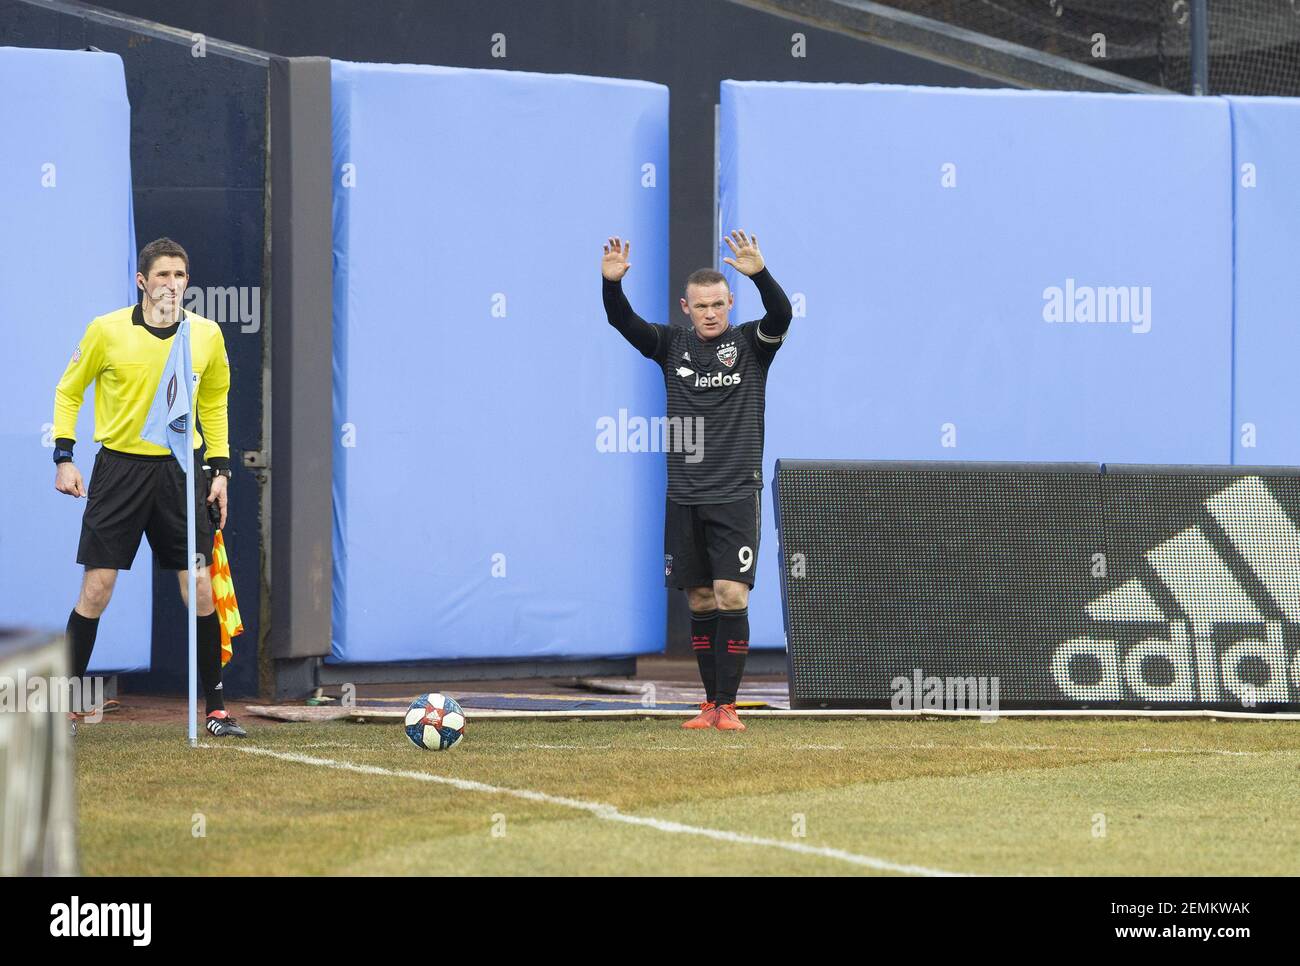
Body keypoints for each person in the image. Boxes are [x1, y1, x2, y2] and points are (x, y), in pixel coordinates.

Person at [52, 237, 245, 738]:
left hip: (181, 471)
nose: (172, 285)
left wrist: (220, 471)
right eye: (162, 275)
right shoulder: (106, 330)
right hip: (118, 470)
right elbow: (68, 391)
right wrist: (65, 458)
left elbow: (216, 400)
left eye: (180, 276)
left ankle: (217, 711)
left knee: (199, 587)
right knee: (97, 587)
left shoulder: (204, 334)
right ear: (142, 281)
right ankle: (65, 709)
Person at [602, 229, 793, 731]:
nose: (710, 313)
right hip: (685, 495)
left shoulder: (752, 344)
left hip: (735, 492)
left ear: (730, 302)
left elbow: (782, 316)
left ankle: (728, 705)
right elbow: (621, 321)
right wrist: (612, 285)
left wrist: (761, 274)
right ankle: (709, 704)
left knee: (733, 594)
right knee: (701, 599)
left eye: (718, 304)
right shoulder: (671, 345)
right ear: (686, 307)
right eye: (700, 305)